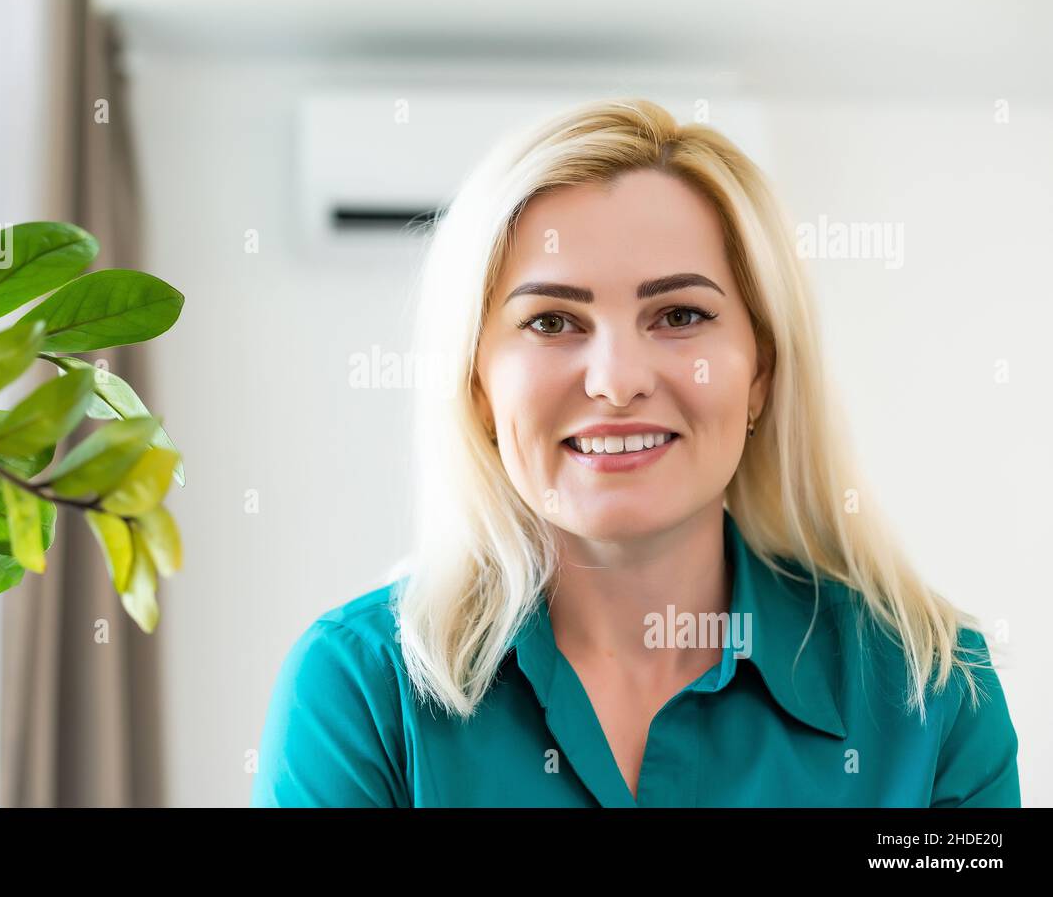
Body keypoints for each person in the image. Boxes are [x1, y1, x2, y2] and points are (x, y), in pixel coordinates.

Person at [251, 98, 1020, 807]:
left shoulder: (936, 694)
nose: (617, 382)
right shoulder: (359, 692)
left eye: (680, 314)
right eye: (552, 322)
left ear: (761, 374)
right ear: (478, 386)